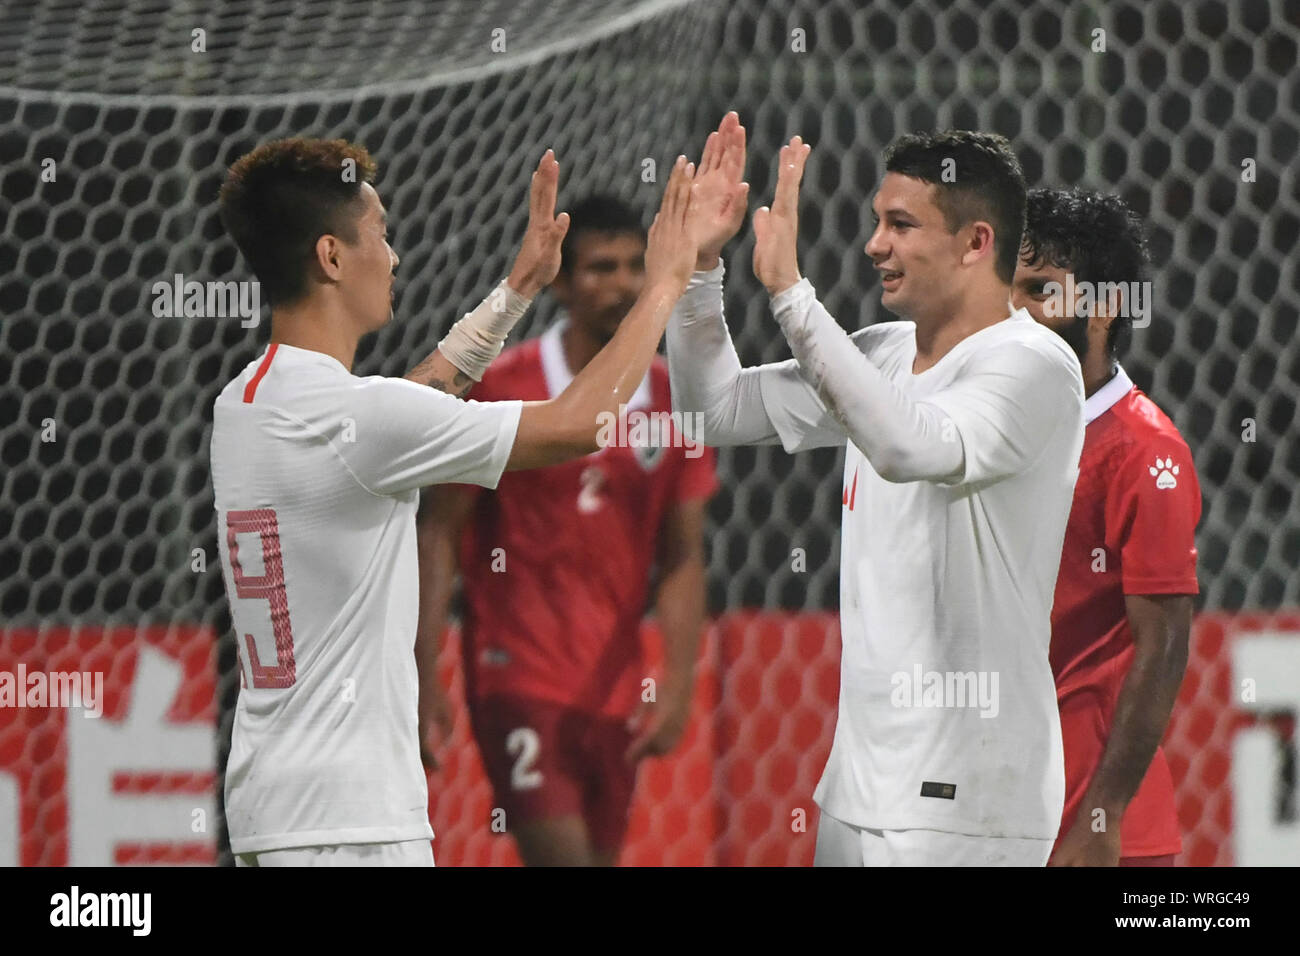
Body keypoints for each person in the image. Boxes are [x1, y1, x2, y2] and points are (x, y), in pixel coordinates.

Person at [210, 136, 701, 866]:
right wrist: (664, 285)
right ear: (332, 257)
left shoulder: (246, 403)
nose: (395, 255)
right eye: (380, 234)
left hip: (272, 805)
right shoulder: (362, 419)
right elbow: (576, 424)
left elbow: (412, 399)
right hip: (354, 824)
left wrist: (517, 290)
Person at [666, 114, 1084, 865]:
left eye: (900, 224)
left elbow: (906, 445)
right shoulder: (883, 353)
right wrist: (699, 273)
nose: (874, 246)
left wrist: (792, 294)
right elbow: (713, 410)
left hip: (969, 799)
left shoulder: (1035, 365)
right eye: (875, 222)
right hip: (858, 789)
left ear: (975, 242)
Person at [415, 195, 718, 867]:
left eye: (635, 266)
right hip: (516, 674)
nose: (620, 284)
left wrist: (676, 684)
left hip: (614, 684)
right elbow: (439, 528)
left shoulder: (673, 400)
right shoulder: (503, 385)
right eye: (600, 267)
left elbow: (682, 556)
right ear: (560, 282)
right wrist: (423, 667)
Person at [1013, 187, 1200, 867]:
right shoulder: (994, 432)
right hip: (996, 810)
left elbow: (1165, 642)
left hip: (1097, 833)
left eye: (1039, 289)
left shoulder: (1145, 451)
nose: (1014, 311)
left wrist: (1104, 815)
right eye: (1008, 287)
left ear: (1103, 307)